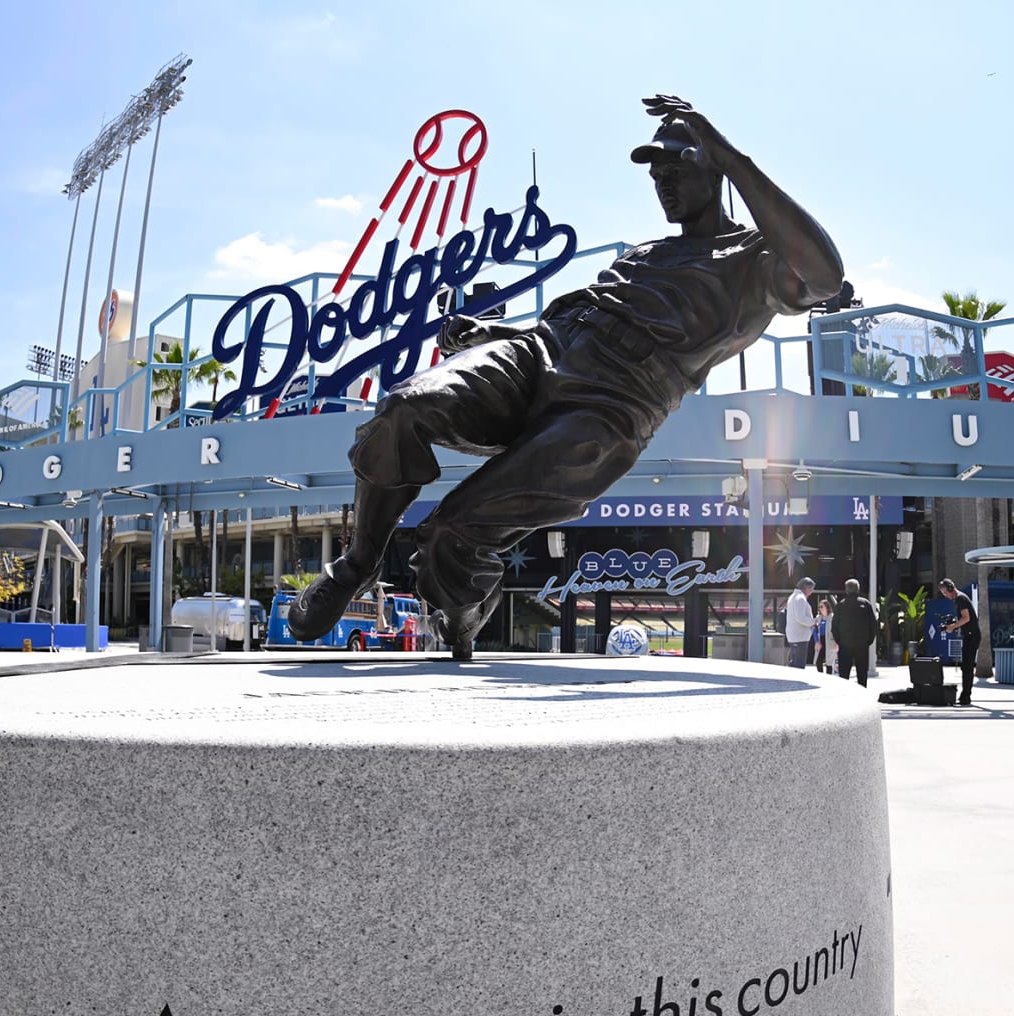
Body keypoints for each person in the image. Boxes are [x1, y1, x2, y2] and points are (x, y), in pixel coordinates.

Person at [285, 95, 844, 660]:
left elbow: (825, 275)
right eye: (657, 175)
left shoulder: (754, 264)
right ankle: (357, 564)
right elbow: (576, 317)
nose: (664, 184)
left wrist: (730, 153)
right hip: (542, 350)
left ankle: (463, 610)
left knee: (452, 533)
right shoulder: (646, 253)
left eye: (677, 169)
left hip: (612, 403)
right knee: (403, 409)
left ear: (717, 170)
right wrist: (490, 335)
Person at [937, 578, 980, 706]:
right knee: (965, 666)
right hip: (969, 636)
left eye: (945, 593)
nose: (945, 596)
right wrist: (953, 625)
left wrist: (953, 627)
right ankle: (965, 695)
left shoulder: (960, 598)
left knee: (967, 666)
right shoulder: (959, 599)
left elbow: (966, 618)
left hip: (972, 636)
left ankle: (966, 696)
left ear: (951, 588)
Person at [830, 578, 875, 686]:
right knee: (862, 674)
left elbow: (834, 626)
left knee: (844, 675)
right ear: (858, 589)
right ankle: (862, 692)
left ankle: (844, 693)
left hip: (845, 645)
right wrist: (868, 641)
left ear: (846, 590)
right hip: (862, 645)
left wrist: (840, 641)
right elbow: (873, 625)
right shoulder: (866, 604)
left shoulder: (841, 605)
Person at [784, 577, 817, 669]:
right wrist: (813, 622)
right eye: (811, 589)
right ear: (806, 588)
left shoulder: (793, 597)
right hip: (800, 637)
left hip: (795, 636)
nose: (811, 592)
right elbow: (801, 618)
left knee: (794, 663)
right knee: (799, 664)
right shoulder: (800, 598)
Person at [812, 597, 832, 673]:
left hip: (829, 641)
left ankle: (829, 676)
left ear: (827, 607)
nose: (820, 608)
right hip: (821, 640)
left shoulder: (832, 617)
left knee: (829, 662)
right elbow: (815, 630)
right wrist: (816, 641)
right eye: (819, 607)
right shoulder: (818, 618)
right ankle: (821, 675)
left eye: (822, 606)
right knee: (818, 661)